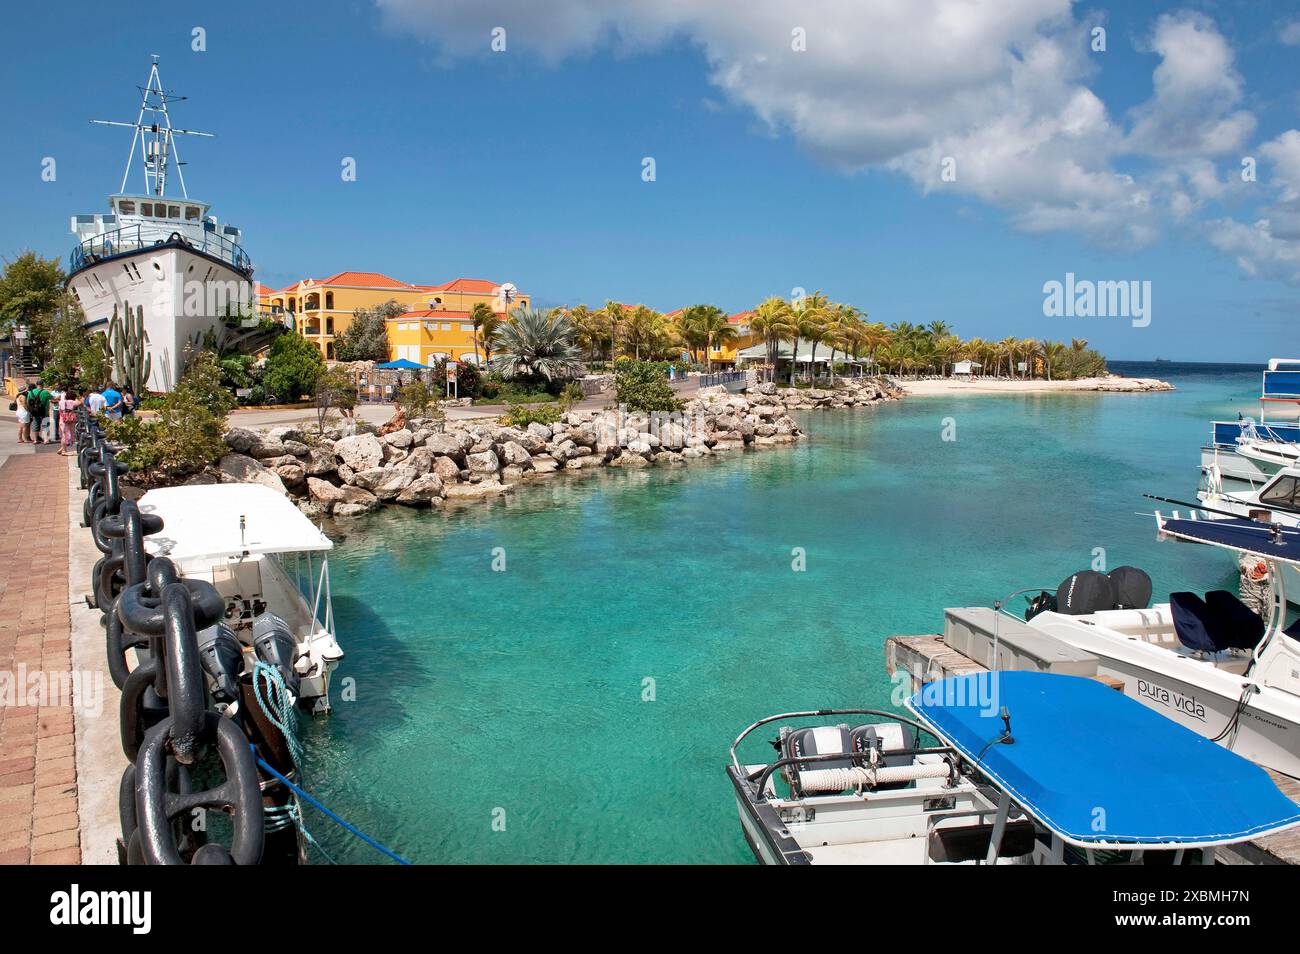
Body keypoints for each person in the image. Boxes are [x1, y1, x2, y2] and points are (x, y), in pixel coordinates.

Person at [57, 388, 79, 456]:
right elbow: (80, 402)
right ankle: (63, 450)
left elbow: (60, 411)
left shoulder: (61, 402)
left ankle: (62, 448)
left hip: (62, 419)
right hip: (71, 419)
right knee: (69, 434)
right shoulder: (73, 402)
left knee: (64, 435)